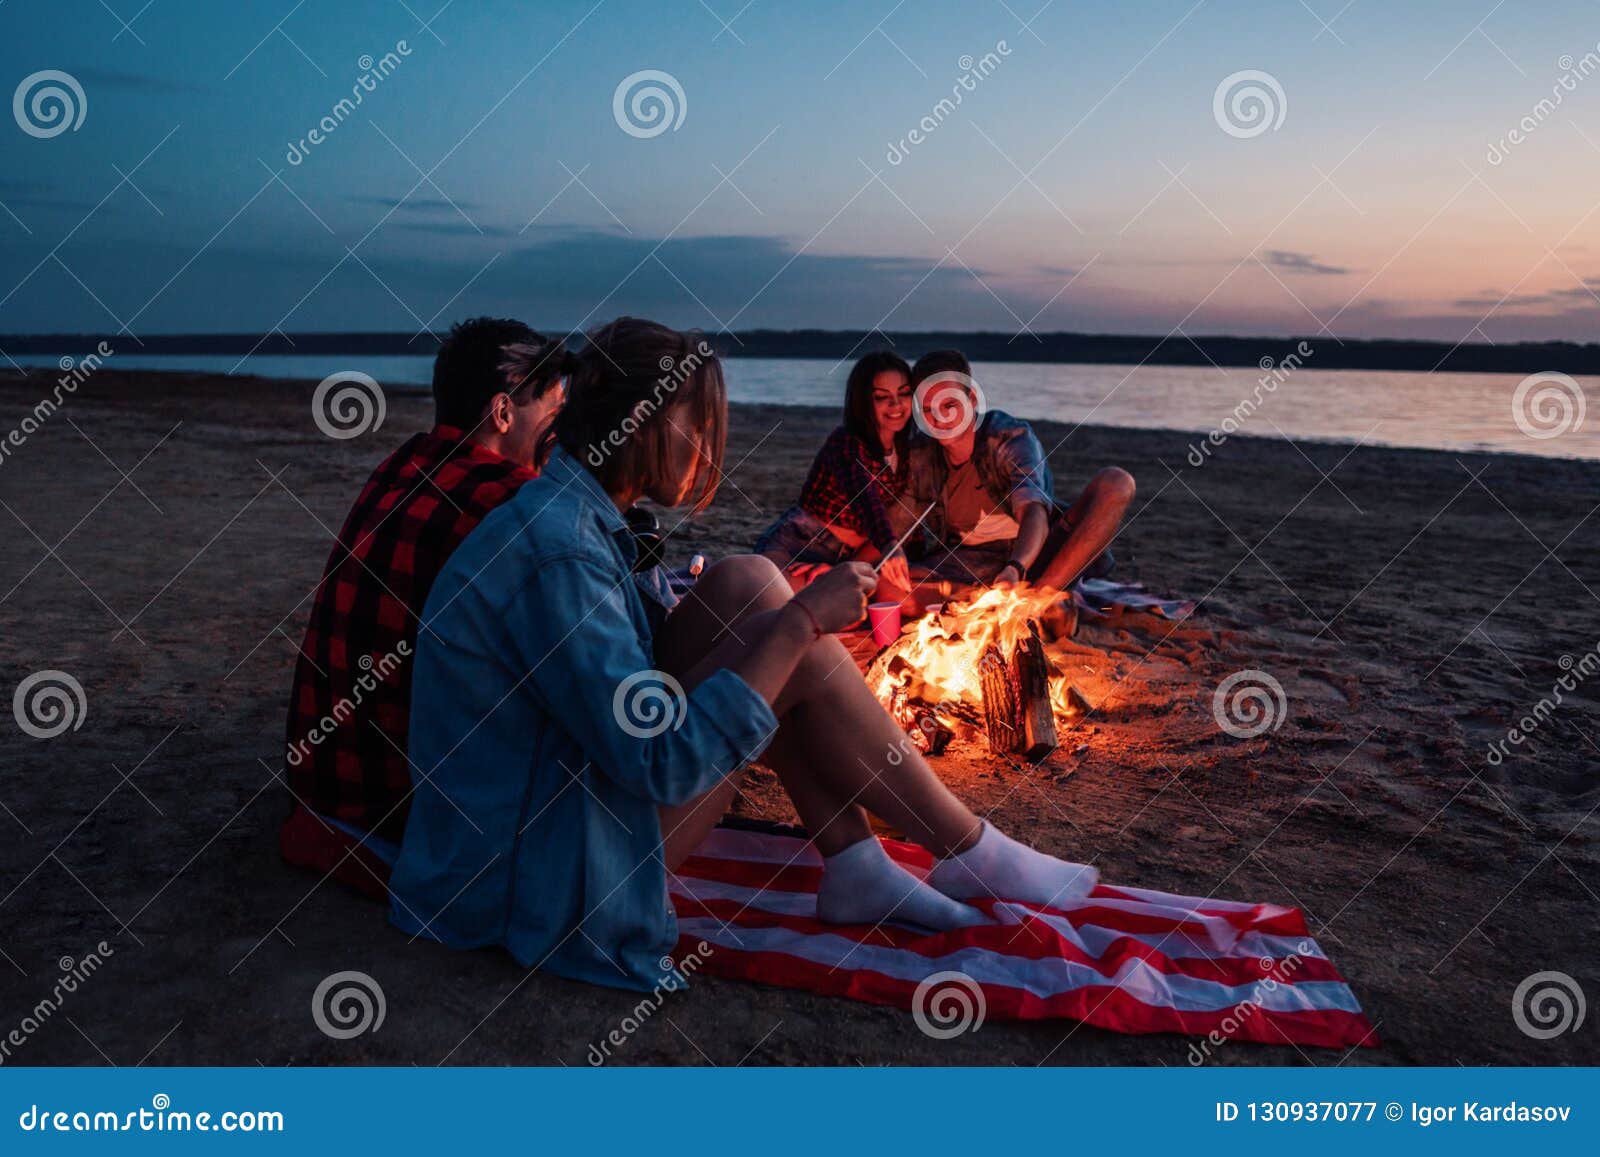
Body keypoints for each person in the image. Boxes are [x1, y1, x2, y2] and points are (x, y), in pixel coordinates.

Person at [389, 317, 1100, 992]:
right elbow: (660, 763)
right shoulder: (563, 550)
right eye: (694, 428)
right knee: (792, 638)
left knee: (747, 581)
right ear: (643, 428)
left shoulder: (570, 513)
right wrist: (794, 628)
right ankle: (967, 850)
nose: (703, 449)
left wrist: (774, 621)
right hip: (538, 886)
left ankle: (856, 858)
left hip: (543, 807)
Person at [279, 318, 570, 892]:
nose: (563, 430)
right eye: (555, 412)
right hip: (405, 807)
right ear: (504, 413)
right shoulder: (508, 499)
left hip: (324, 786)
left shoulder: (402, 465)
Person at [906, 349, 1135, 592]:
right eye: (929, 410)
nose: (939, 419)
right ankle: (984, 600)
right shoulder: (921, 455)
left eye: (949, 404)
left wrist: (1016, 566)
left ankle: (1040, 598)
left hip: (1039, 552)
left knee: (1116, 482)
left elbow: (1033, 510)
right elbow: (900, 524)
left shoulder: (1008, 437)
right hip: (972, 561)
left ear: (972, 398)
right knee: (896, 584)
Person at [754, 351, 917, 602]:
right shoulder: (846, 442)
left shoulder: (907, 452)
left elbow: (902, 519)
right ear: (864, 402)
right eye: (882, 397)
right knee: (769, 600)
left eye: (904, 393)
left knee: (851, 606)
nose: (896, 405)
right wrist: (890, 547)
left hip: (851, 556)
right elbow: (866, 499)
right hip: (799, 543)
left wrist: (847, 569)